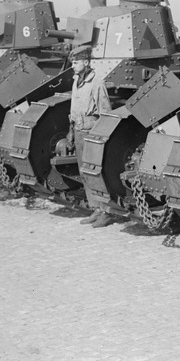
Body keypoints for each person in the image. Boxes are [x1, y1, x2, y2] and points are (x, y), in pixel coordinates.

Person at [65, 45, 114, 228]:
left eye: (76, 62)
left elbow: (105, 113)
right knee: (84, 172)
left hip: (91, 132)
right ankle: (96, 208)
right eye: (73, 63)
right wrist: (70, 131)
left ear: (86, 62)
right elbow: (73, 108)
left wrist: (100, 138)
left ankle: (106, 212)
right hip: (78, 131)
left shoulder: (97, 83)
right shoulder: (76, 80)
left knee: (96, 172)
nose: (73, 66)